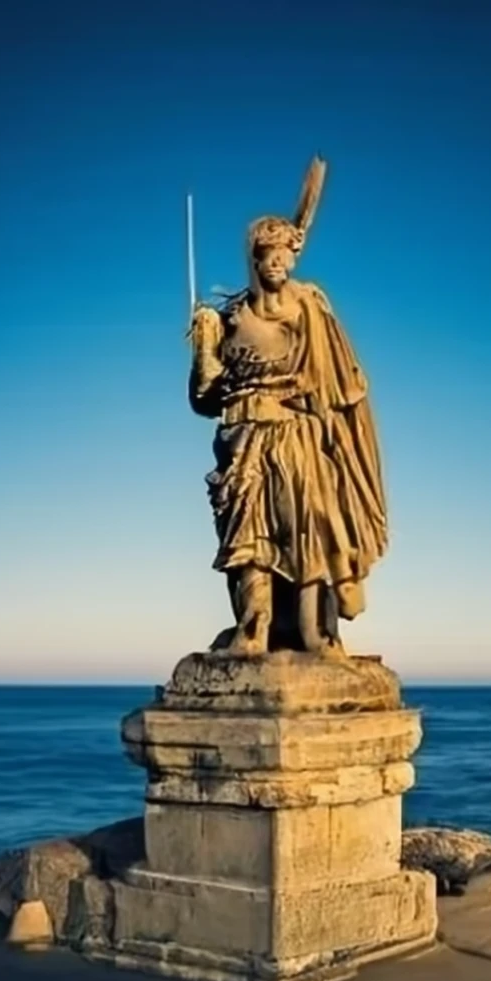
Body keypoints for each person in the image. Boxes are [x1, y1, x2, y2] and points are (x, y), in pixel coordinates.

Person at [187, 159, 388, 656]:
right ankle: (253, 630)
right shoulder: (229, 320)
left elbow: (341, 380)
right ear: (253, 259)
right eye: (265, 253)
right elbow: (204, 400)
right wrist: (205, 348)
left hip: (298, 436)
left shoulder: (309, 307)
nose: (274, 261)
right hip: (242, 438)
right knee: (247, 534)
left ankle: (314, 633)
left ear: (293, 257)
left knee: (308, 530)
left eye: (282, 252)